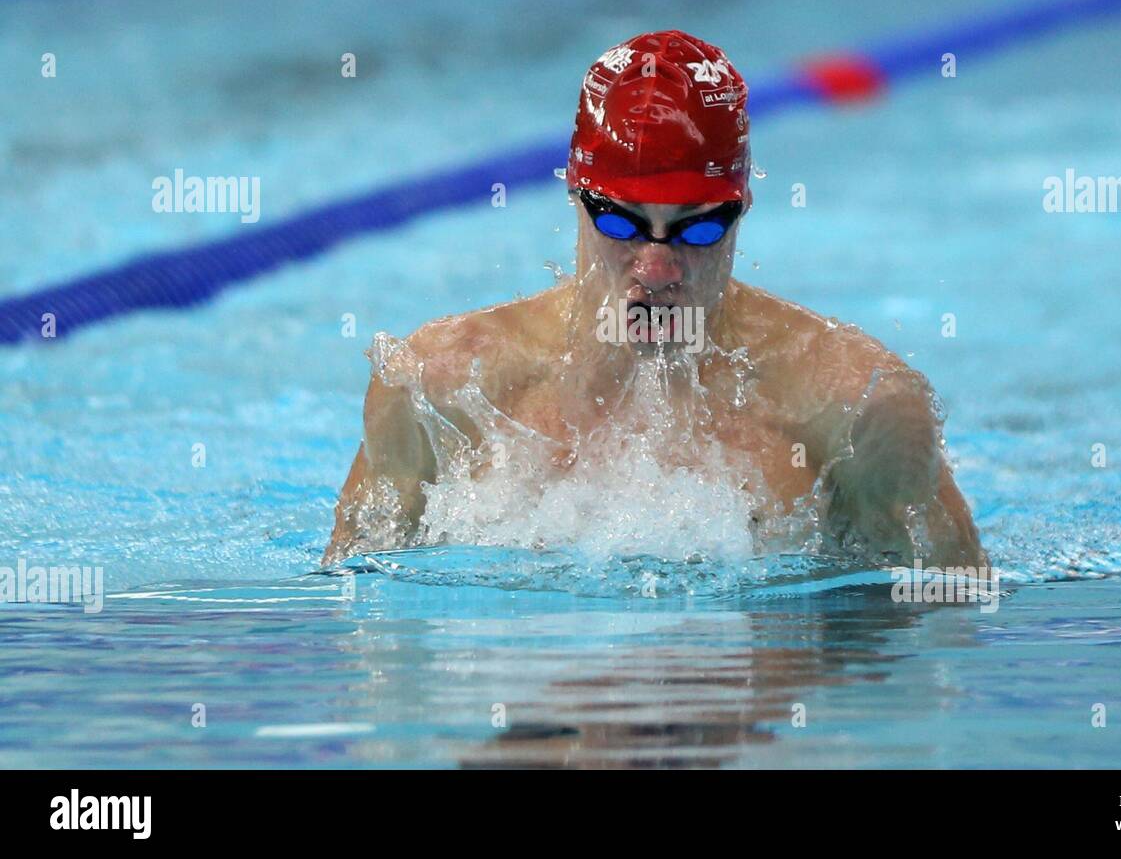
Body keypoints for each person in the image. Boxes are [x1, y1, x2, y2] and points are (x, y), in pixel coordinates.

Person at [324, 30, 984, 569]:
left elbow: (946, 626)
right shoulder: (437, 389)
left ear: (742, 208)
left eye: (698, 227)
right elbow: (354, 618)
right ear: (575, 196)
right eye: (621, 222)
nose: (658, 265)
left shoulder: (852, 409)